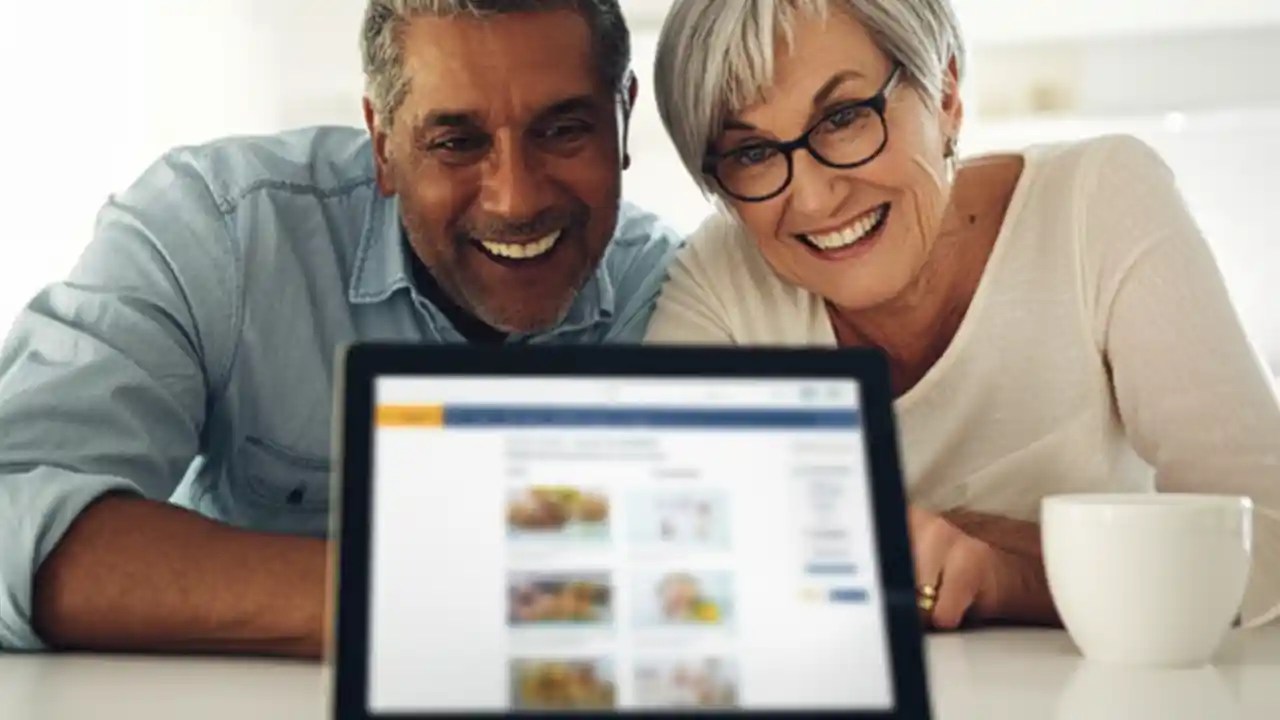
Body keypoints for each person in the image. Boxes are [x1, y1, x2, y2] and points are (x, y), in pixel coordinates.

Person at [0, 0, 680, 655]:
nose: (517, 198)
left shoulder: (675, 292)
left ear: (623, 116)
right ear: (383, 144)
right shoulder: (219, 229)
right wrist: (402, 605)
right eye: (455, 142)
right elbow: (13, 510)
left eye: (562, 131)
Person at [645, 0, 1280, 630]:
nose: (812, 198)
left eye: (843, 118)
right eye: (751, 154)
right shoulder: (721, 281)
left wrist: (1011, 576)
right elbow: (666, 565)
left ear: (945, 95)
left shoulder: (1098, 203)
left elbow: (1268, 546)